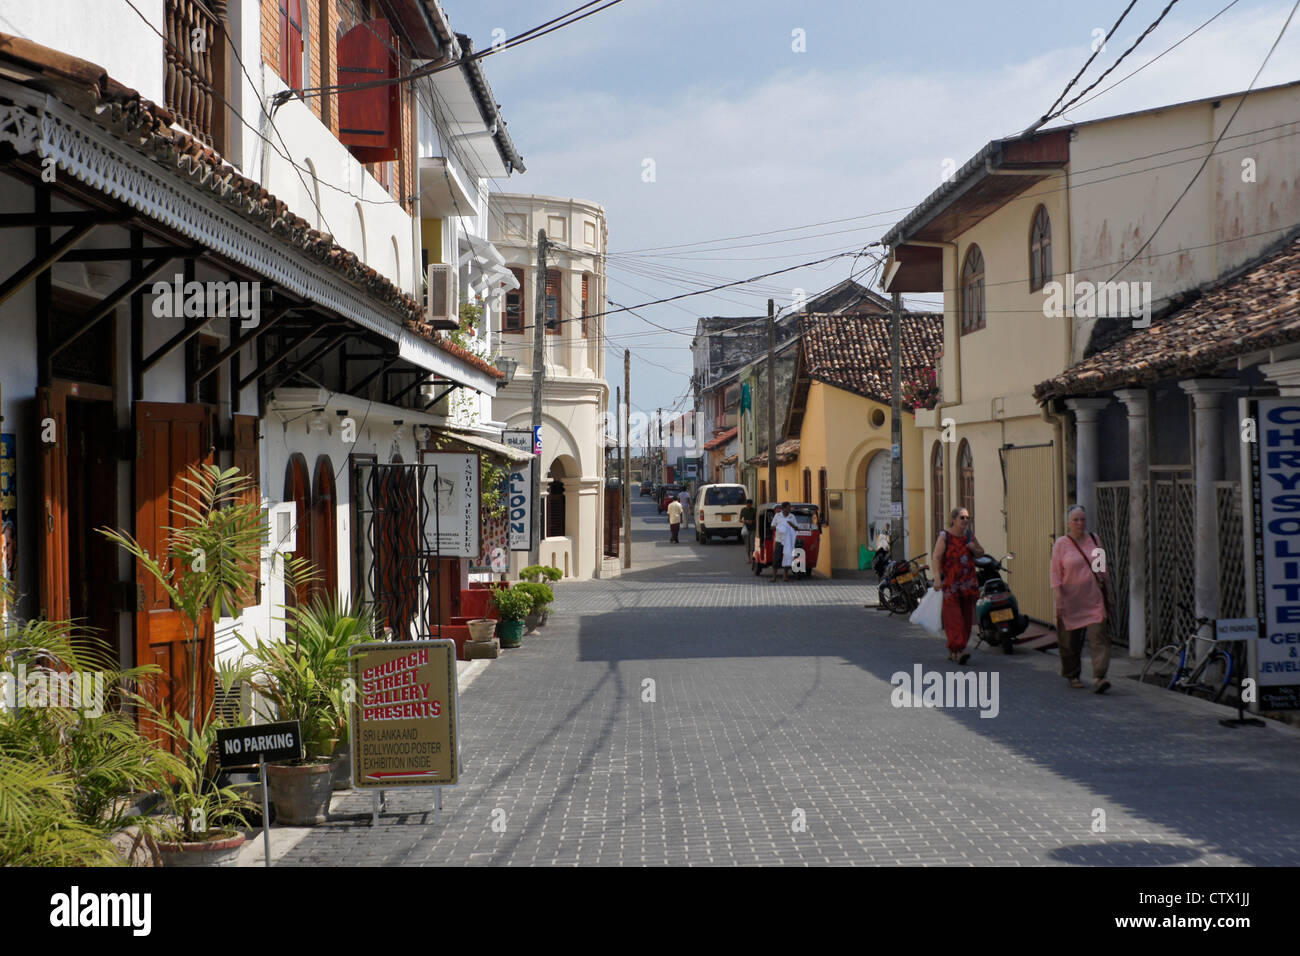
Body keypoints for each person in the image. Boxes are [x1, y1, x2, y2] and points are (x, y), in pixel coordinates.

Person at [1051, 504, 1111, 693]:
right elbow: (1055, 573)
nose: (1080, 523)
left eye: (1082, 519)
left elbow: (1103, 570)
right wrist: (1059, 597)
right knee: (1070, 641)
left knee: (1098, 637)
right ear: (1068, 524)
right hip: (1071, 600)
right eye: (1076, 520)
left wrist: (1109, 594)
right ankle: (1073, 674)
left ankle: (1099, 677)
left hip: (1093, 600)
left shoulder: (1095, 539)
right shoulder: (1061, 544)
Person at [931, 507, 983, 664]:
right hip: (951, 585)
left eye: (967, 518)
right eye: (962, 518)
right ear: (953, 519)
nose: (965, 521)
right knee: (954, 619)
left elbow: (981, 552)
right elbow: (936, 557)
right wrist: (936, 578)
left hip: (968, 583)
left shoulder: (969, 536)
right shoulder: (945, 536)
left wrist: (974, 548)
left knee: (966, 619)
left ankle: (955, 650)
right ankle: (958, 648)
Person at [770, 502, 798, 582]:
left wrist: (791, 524)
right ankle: (774, 576)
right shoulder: (777, 516)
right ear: (783, 508)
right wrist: (780, 528)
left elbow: (796, 528)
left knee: (787, 557)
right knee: (776, 558)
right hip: (779, 540)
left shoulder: (792, 517)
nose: (789, 509)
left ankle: (785, 576)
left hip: (788, 541)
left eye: (790, 507)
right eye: (788, 507)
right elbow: (772, 527)